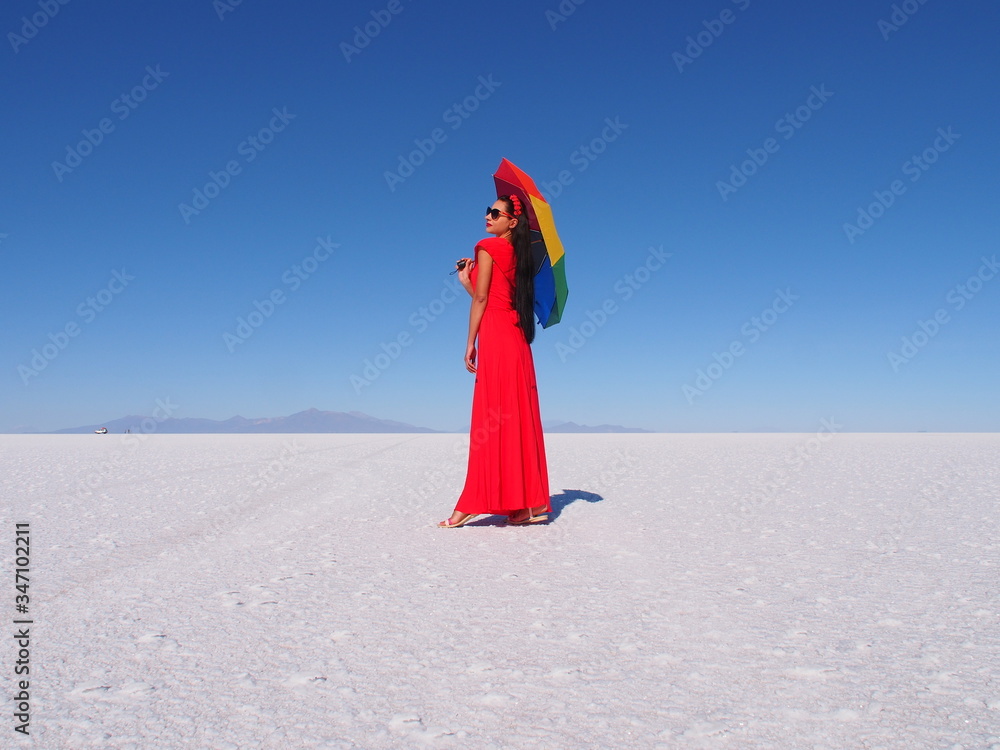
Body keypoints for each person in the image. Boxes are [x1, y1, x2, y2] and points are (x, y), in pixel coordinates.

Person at [438, 194, 551, 528]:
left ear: (511, 222)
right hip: (515, 339)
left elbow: (484, 299)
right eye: (488, 210)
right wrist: (467, 284)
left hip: (496, 337)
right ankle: (525, 506)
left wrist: (470, 341)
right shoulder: (520, 257)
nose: (488, 215)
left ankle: (473, 502)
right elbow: (494, 297)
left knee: (490, 416)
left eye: (495, 213)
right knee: (514, 415)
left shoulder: (487, 247)